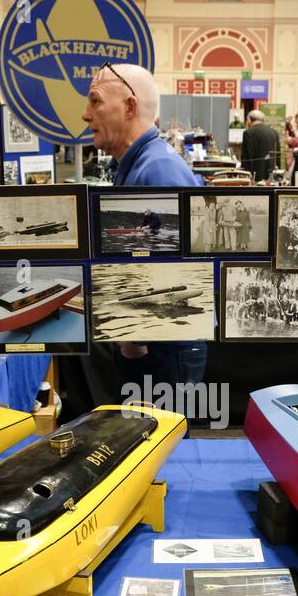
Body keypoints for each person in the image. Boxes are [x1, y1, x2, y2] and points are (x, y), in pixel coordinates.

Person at [81, 62, 205, 395]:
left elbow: (178, 272)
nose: (86, 114)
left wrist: (135, 342)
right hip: (153, 342)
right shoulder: (141, 164)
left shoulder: (159, 169)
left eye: (95, 101)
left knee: (161, 441)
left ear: (130, 107)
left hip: (162, 347)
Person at [240, 109, 279, 182]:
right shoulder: (274, 132)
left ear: (249, 120)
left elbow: (247, 158)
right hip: (271, 177)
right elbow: (277, 155)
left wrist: (245, 177)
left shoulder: (248, 133)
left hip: (255, 177)